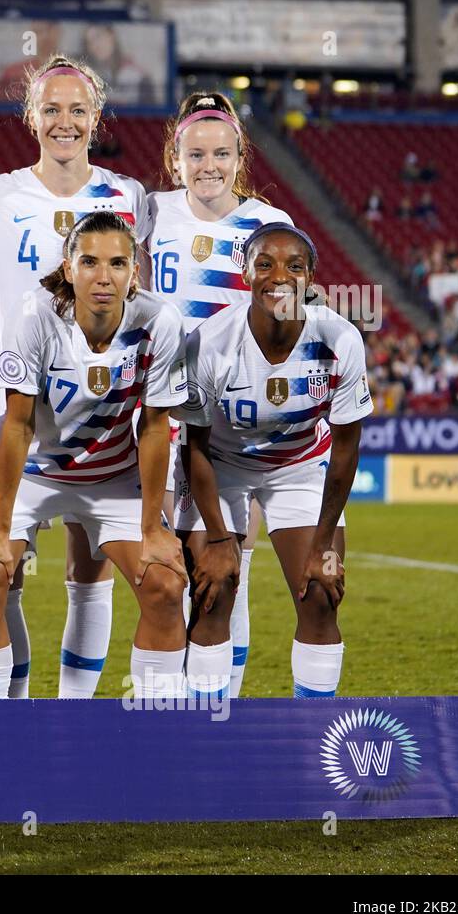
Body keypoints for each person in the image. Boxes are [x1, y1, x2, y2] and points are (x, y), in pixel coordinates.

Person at [0, 53, 147, 699]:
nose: (64, 120)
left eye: (77, 109)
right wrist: (19, 300)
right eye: (51, 108)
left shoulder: (127, 197)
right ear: (30, 117)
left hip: (105, 422)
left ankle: (71, 719)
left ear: (95, 118)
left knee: (89, 572)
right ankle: (4, 718)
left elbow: (134, 290)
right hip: (14, 416)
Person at [0, 211, 189, 699]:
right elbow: (18, 425)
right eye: (89, 262)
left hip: (111, 473)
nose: (102, 276)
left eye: (117, 263)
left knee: (167, 586)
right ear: (68, 268)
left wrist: (153, 527)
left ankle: (156, 735)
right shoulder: (35, 314)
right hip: (31, 470)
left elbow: (154, 427)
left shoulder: (160, 321)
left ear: (135, 272)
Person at [174, 223, 372, 699]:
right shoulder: (209, 343)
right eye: (264, 264)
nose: (278, 276)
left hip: (300, 466)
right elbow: (193, 447)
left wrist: (324, 544)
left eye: (294, 266)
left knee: (322, 595)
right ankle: (207, 739)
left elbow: (344, 450)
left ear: (311, 277)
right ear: (245, 273)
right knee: (213, 588)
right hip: (219, 466)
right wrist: (221, 538)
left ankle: (314, 738)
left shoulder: (340, 341)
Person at [145, 91, 293, 697]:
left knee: (233, 562)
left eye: (222, 153)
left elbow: (289, 323)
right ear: (175, 158)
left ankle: (218, 706)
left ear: (240, 157)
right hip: (159, 410)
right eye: (196, 153)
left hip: (233, 419)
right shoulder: (149, 212)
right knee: (170, 566)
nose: (209, 165)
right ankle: (172, 701)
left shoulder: (267, 227)